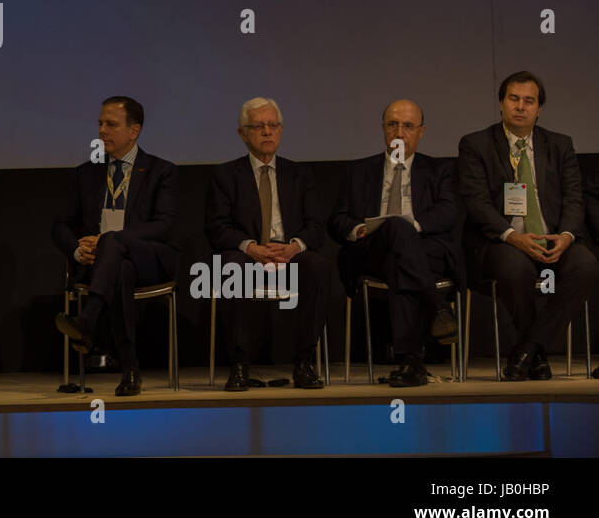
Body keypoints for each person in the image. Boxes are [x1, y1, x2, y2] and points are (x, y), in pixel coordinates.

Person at [458, 71, 599, 380]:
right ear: (501, 104)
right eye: (513, 99)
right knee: (515, 267)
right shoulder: (476, 144)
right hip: (501, 241)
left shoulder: (560, 145)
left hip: (553, 237)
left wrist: (565, 235)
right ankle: (535, 354)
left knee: (586, 266)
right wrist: (513, 237)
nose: (520, 107)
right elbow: (476, 202)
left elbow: (575, 197)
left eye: (528, 101)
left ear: (539, 109)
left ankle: (528, 350)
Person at [328, 99, 460, 387]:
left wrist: (408, 226)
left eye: (408, 126)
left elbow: (448, 213)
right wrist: (360, 228)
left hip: (423, 251)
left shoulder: (440, 170)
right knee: (396, 242)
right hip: (370, 251)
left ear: (421, 131)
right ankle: (437, 305)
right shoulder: (358, 171)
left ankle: (409, 360)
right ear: (383, 129)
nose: (399, 132)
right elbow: (336, 221)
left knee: (399, 259)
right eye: (392, 124)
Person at [53, 97, 179, 396]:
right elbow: (60, 225)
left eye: (111, 124)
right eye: (100, 124)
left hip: (149, 261)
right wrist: (77, 250)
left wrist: (111, 240)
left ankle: (88, 320)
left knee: (113, 241)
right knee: (120, 269)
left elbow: (163, 226)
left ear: (134, 131)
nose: (102, 131)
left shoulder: (162, 171)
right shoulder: (86, 173)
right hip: (102, 266)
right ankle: (130, 369)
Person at [205, 97, 330, 390]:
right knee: (230, 266)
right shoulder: (224, 175)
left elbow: (315, 227)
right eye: (258, 126)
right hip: (249, 254)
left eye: (273, 126)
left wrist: (294, 246)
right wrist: (251, 247)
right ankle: (238, 365)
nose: (267, 132)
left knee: (319, 266)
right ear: (242, 133)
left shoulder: (300, 174)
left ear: (281, 130)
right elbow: (216, 228)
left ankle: (304, 363)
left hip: (289, 254)